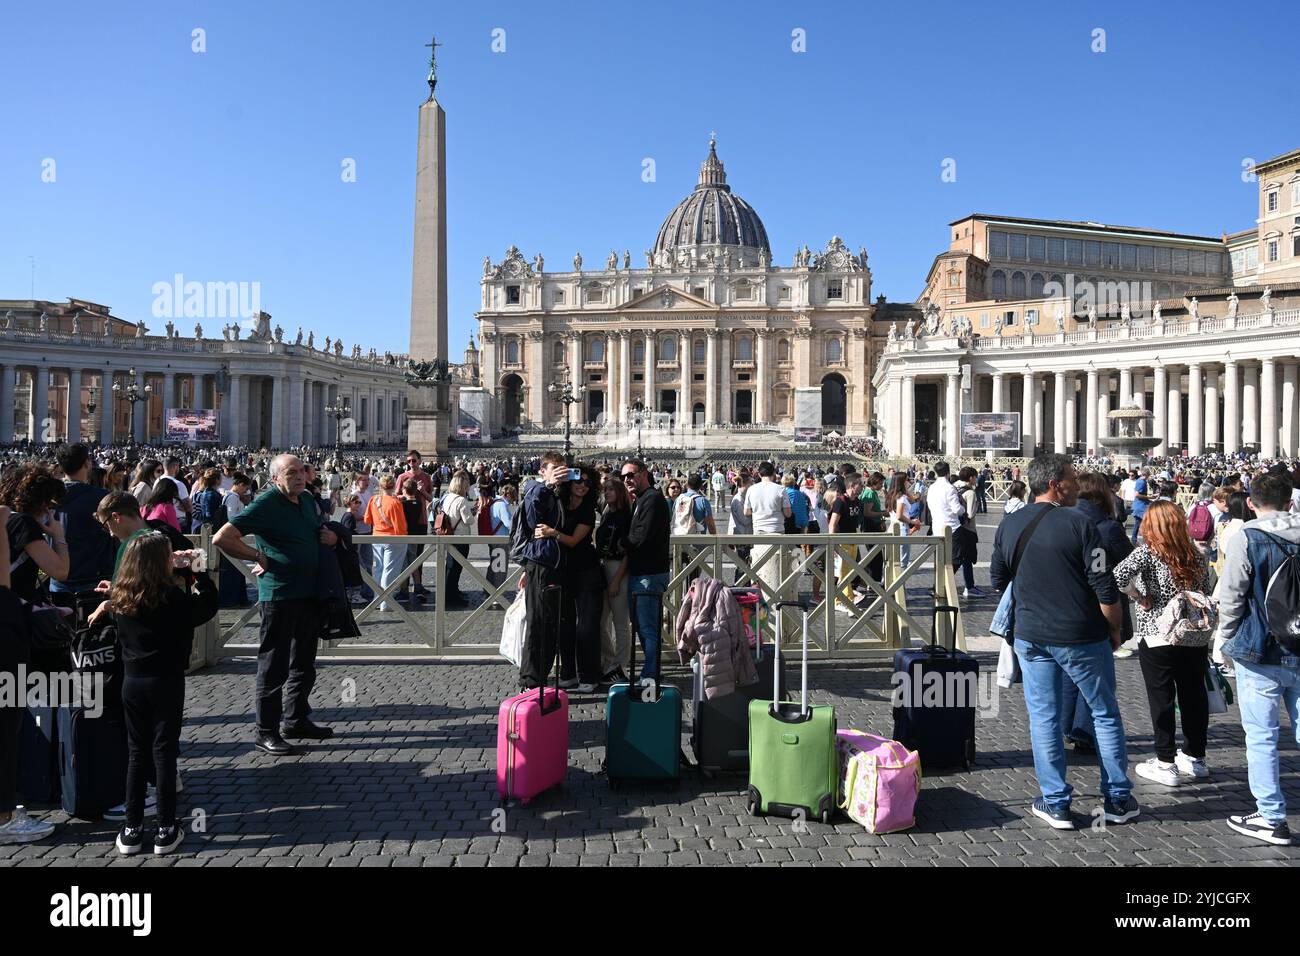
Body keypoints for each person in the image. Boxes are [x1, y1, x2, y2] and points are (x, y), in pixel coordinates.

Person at [990, 453, 1138, 830]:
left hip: (1031, 635)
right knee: (1104, 713)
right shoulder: (1080, 525)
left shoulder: (1009, 524)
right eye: (1072, 479)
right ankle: (1118, 798)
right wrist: (1115, 628)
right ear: (1056, 484)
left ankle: (1055, 802)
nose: (1078, 485)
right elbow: (1105, 587)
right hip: (1081, 635)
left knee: (1044, 719)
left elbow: (997, 580)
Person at [96, 533, 217, 856]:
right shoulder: (170, 598)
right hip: (166, 679)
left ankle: (132, 827)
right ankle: (165, 826)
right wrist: (195, 570)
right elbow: (206, 604)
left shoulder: (121, 598)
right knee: (163, 753)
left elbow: (118, 602)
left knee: (137, 754)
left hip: (132, 682)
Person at [214, 454, 336, 757]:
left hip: (308, 593)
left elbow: (316, 533)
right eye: (291, 472)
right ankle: (265, 731)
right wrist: (257, 556)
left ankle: (295, 719)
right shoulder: (266, 503)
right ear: (274, 478)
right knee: (274, 665)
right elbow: (222, 538)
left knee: (304, 663)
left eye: (302, 472)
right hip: (279, 595)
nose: (299, 477)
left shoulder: (307, 500)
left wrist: (332, 537)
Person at [1216, 470, 1300, 845]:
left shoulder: (1247, 538)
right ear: (1290, 501)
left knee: (1263, 737)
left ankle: (1271, 817)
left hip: (1260, 648)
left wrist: (1225, 640)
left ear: (1251, 502)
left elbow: (1232, 598)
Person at [1112, 500, 1213, 788]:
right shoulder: (1196, 553)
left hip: (1157, 633)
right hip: (1192, 634)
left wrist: (1138, 596)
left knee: (1162, 698)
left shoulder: (1148, 551)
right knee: (1194, 695)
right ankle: (1195, 757)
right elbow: (1205, 592)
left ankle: (1166, 761)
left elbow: (1118, 576)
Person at [1066, 473, 1134, 751]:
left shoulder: (1064, 520)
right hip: (1103, 607)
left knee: (1071, 672)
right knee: (1096, 676)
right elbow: (1131, 562)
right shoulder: (1108, 528)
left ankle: (1067, 726)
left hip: (1069, 606)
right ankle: (1086, 730)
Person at [545, 465, 602, 693]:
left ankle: (589, 675)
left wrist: (553, 533)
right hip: (563, 571)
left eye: (588, 483)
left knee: (586, 627)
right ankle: (568, 674)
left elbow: (572, 541)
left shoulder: (588, 510)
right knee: (565, 625)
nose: (582, 486)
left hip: (587, 571)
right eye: (579, 481)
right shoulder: (557, 504)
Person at [518, 452, 568, 690]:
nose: (560, 473)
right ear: (542, 471)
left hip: (550, 564)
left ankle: (541, 675)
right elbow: (532, 517)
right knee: (537, 621)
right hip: (541, 564)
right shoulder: (537, 490)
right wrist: (547, 485)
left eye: (562, 469)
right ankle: (530, 679)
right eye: (554, 469)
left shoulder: (556, 494)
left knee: (549, 621)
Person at [622, 458, 671, 684]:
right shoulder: (642, 499)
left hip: (649, 574)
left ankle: (650, 673)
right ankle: (651, 669)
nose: (627, 480)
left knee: (648, 627)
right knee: (643, 626)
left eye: (630, 475)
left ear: (643, 473)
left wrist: (619, 544)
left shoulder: (652, 499)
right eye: (624, 477)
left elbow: (641, 536)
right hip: (642, 572)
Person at [50, 444, 113, 602]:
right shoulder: (103, 498)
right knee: (98, 626)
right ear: (87, 463)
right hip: (97, 579)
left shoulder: (48, 499)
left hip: (59, 579)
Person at [1, 464, 69, 603]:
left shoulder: (6, 517)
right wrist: (59, 536)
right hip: (13, 611)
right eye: (48, 504)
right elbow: (60, 572)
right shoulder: (23, 523)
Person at [744, 461, 793, 615]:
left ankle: (760, 605)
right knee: (779, 571)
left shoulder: (752, 489)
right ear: (774, 474)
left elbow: (746, 512)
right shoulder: (781, 489)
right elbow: (788, 514)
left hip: (759, 534)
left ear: (758, 474)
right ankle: (778, 603)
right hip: (777, 533)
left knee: (758, 572)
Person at [596, 476, 632, 684]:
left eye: (610, 490)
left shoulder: (626, 516)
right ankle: (609, 660)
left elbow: (629, 552)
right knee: (601, 621)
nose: (606, 493)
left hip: (618, 568)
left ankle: (619, 665)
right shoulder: (607, 513)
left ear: (619, 492)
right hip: (603, 566)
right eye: (605, 490)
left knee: (620, 623)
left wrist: (617, 580)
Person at [364, 475, 407, 611]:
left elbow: (367, 520)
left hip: (376, 537)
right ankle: (386, 603)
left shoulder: (373, 499)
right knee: (389, 571)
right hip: (393, 539)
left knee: (378, 570)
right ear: (394, 486)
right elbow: (400, 527)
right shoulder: (395, 503)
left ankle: (377, 600)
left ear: (380, 487)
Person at [437, 472, 477, 608]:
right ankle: (450, 596)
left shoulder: (446, 497)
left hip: (448, 535)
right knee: (456, 568)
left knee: (450, 566)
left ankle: (451, 591)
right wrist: (474, 513)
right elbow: (468, 520)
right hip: (460, 537)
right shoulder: (461, 500)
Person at [953, 466, 983, 599]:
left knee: (958, 558)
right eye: (975, 477)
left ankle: (940, 584)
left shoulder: (953, 486)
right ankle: (969, 586)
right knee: (966, 559)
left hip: (954, 527)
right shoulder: (970, 492)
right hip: (967, 529)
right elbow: (970, 514)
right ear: (971, 477)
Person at [397, 479, 427, 602]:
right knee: (414, 561)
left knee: (404, 564)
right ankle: (418, 586)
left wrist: (401, 496)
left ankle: (404, 591)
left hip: (405, 534)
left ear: (404, 489)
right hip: (415, 534)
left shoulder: (402, 504)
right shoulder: (419, 503)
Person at [886, 474, 921, 570]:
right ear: (902, 482)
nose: (909, 482)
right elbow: (899, 516)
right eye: (907, 480)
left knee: (891, 559)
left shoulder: (891, 496)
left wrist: (905, 490)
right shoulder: (901, 498)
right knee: (902, 560)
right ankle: (900, 584)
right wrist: (912, 522)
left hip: (892, 527)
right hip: (901, 528)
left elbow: (913, 500)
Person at [728, 470, 753, 586]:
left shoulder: (743, 498)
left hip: (745, 536)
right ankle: (739, 591)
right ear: (745, 485)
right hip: (742, 537)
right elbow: (745, 520)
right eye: (750, 483)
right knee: (742, 568)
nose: (752, 486)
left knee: (745, 566)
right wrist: (756, 514)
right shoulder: (738, 500)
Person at [1130, 468, 1153, 544]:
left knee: (1138, 523)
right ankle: (1144, 541)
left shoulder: (1140, 481)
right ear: (1147, 474)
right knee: (1146, 523)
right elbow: (1137, 494)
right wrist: (1149, 497)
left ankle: (1134, 540)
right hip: (1141, 506)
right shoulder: (1141, 482)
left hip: (1139, 505)